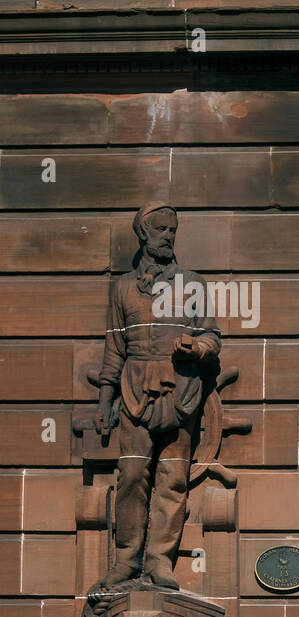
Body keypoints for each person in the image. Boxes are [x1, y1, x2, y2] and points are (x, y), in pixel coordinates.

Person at [94, 201, 220, 590]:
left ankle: (160, 562)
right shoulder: (123, 288)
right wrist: (104, 398)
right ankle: (127, 560)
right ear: (143, 233)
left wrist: (196, 349)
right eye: (162, 229)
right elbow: (114, 347)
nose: (169, 236)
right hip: (134, 392)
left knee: (172, 479)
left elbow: (212, 336)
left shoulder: (193, 284)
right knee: (132, 475)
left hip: (180, 391)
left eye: (173, 231)